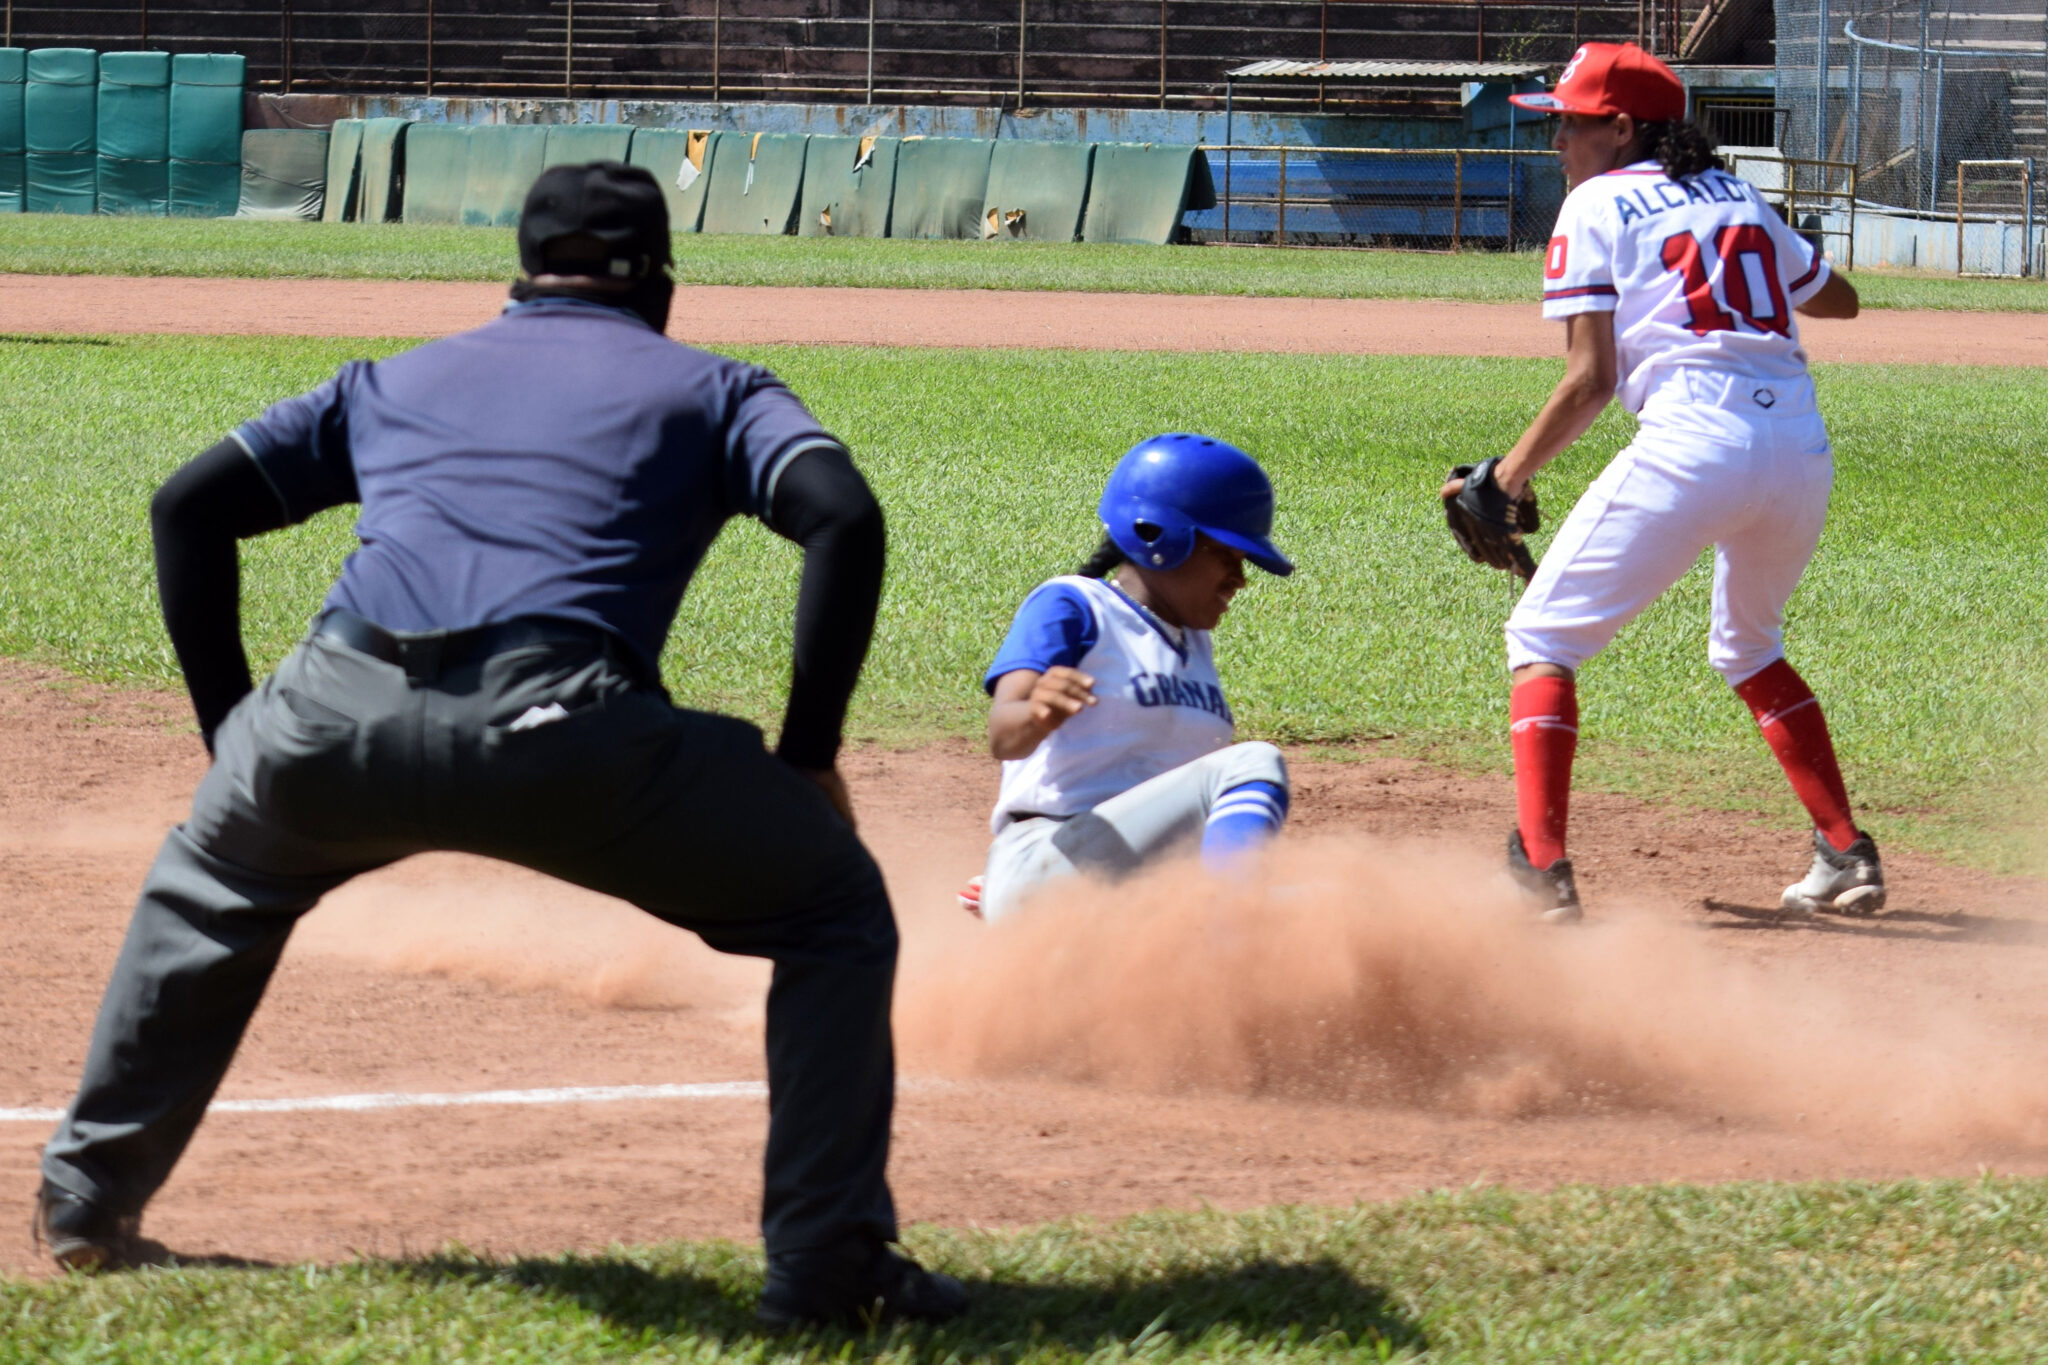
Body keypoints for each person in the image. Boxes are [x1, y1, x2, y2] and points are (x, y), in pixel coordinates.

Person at [31, 162, 965, 1327]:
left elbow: (188, 505)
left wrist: (233, 736)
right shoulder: (714, 389)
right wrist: (809, 753)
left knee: (212, 888)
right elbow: (843, 514)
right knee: (831, 911)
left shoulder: (395, 378)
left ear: (519, 273)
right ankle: (826, 1265)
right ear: (662, 283)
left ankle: (82, 1211)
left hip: (332, 710)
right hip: (561, 727)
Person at [1445, 43, 1881, 922]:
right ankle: (1845, 851)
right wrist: (1750, 243)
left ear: (1619, 127)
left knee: (1543, 636)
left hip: (1695, 438)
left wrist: (1508, 476)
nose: (1556, 138)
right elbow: (1839, 299)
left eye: (1568, 121)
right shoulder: (1736, 191)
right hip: (1797, 449)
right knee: (1749, 646)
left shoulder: (1594, 201)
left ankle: (1540, 870)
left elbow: (1591, 379)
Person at [962, 435, 1294, 924]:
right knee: (1254, 763)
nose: (1239, 579)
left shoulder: (1193, 645)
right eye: (1227, 555)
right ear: (1158, 535)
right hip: (1051, 861)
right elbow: (1003, 735)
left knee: (1328, 908)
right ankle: (1227, 939)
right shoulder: (1074, 604)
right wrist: (1036, 712)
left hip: (1128, 891)